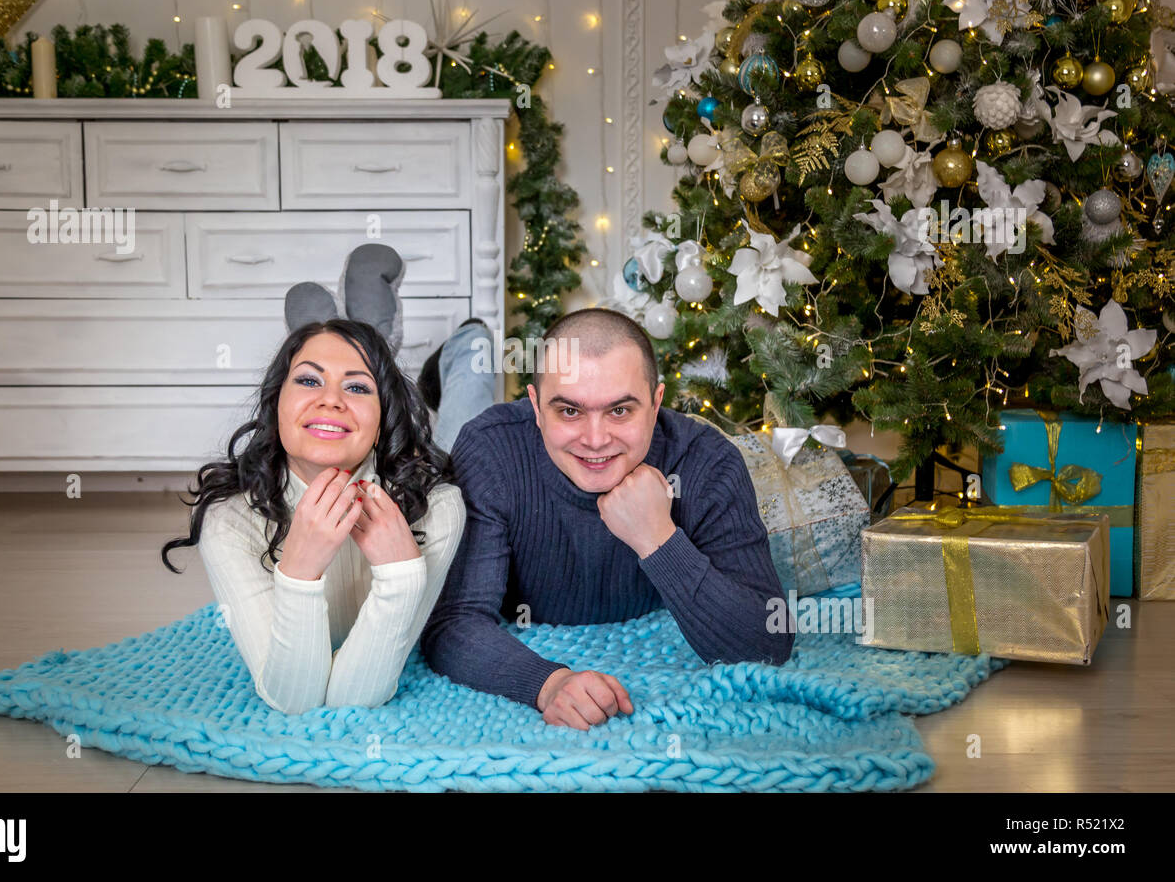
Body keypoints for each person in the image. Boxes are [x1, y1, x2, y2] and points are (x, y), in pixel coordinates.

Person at [419, 307, 791, 731]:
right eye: (569, 412)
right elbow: (453, 621)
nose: (596, 442)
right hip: (475, 438)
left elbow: (768, 640)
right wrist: (549, 683)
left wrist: (658, 539)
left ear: (656, 404)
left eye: (620, 411)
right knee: (446, 425)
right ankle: (467, 343)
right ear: (536, 407)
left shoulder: (708, 461)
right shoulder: (490, 449)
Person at [161, 318, 465, 714]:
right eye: (308, 380)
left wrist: (401, 578)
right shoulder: (229, 518)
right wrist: (300, 572)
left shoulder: (437, 507)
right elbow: (294, 701)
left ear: (380, 423)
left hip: (422, 461)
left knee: (466, 428)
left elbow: (352, 701)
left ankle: (464, 344)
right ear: (277, 405)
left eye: (357, 387)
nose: (331, 400)